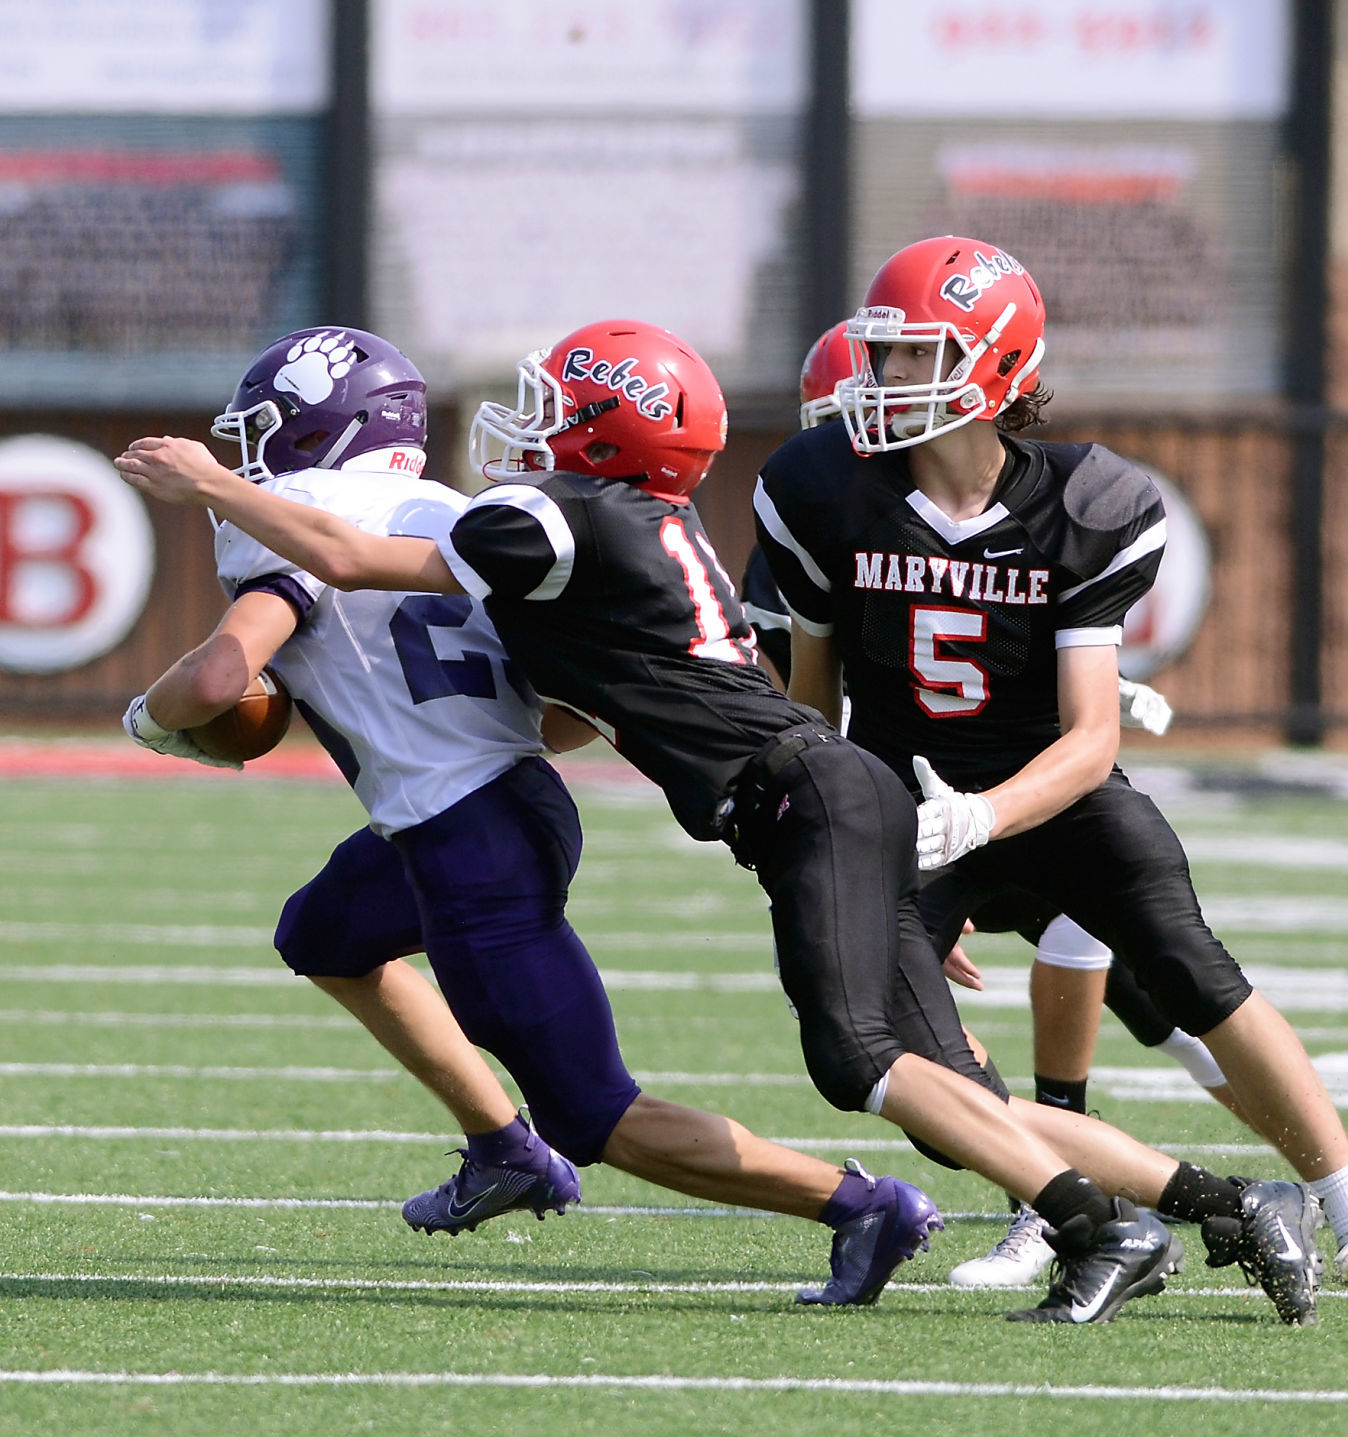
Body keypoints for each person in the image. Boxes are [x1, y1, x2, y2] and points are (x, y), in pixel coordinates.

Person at [117, 317, 1321, 1326]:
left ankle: (1087, 1225)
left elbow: (337, 554)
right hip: (813, 790)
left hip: (801, 794)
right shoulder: (627, 527)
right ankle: (1219, 1204)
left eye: (557, 404)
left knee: (860, 1063)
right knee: (934, 1077)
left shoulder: (549, 521)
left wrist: (215, 487)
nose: (527, 427)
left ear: (606, 430)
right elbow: (572, 706)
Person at [121, 325, 942, 1300]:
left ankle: (857, 1205)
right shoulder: (448, 510)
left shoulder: (283, 510)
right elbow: (557, 720)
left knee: (596, 1114)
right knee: (325, 930)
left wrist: (153, 715)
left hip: (465, 843)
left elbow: (222, 674)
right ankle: (500, 1146)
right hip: (516, 804)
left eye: (266, 427)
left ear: (313, 431)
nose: (252, 449)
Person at [751, 235, 1348, 1309]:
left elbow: (1088, 740)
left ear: (993, 366)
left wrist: (976, 821)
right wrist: (844, 840)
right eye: (882, 354)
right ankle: (1119, 1208)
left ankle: (1345, 1199)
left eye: (911, 356)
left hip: (1044, 794)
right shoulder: (818, 490)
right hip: (899, 802)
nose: (880, 380)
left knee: (1186, 969)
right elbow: (811, 698)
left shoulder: (1085, 502)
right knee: (919, 1076)